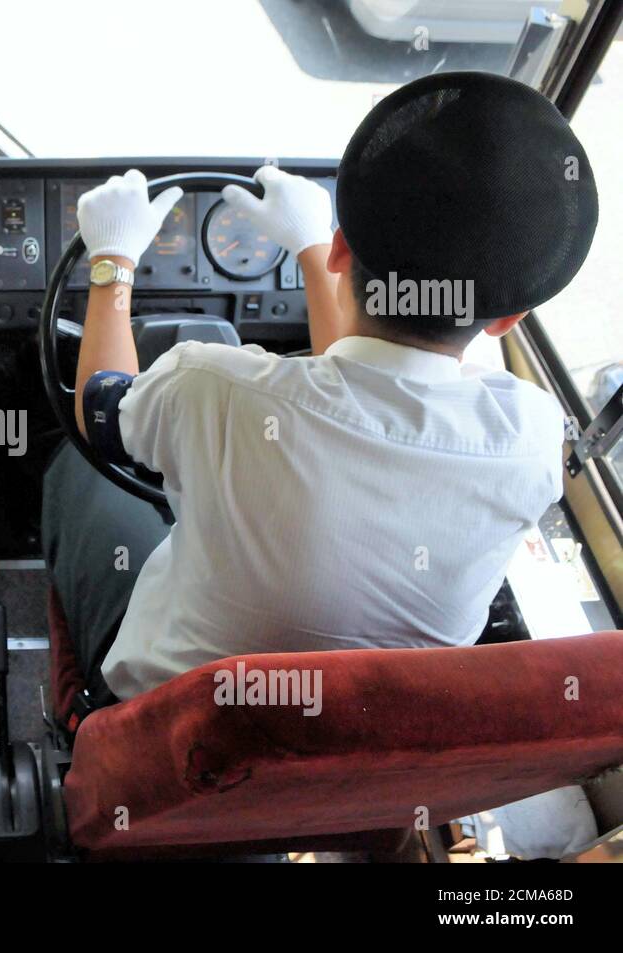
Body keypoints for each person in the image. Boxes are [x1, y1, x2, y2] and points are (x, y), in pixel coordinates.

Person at [43, 71, 598, 703]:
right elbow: (368, 387)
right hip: (360, 748)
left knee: (76, 467)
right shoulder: (532, 439)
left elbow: (99, 407)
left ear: (344, 250)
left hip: (167, 722)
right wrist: (309, 245)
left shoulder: (205, 385)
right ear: (506, 319)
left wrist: (112, 258)